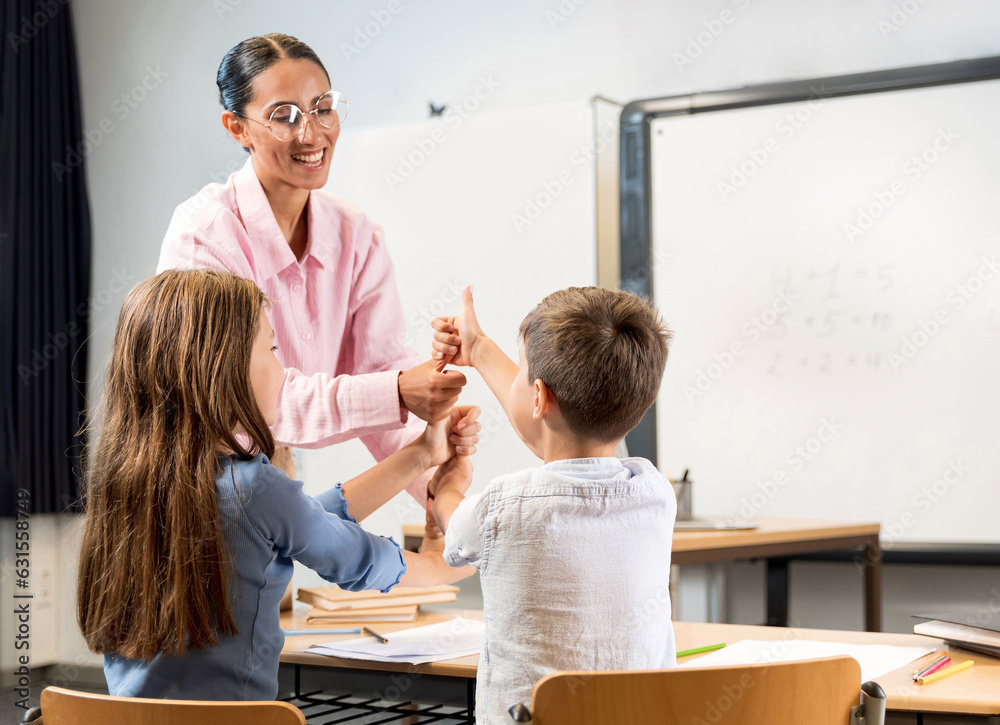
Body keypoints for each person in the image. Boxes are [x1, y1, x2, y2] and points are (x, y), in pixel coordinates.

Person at [76, 269, 476, 701]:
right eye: (270, 348)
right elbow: (352, 556)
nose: (284, 370)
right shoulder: (254, 489)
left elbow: (298, 519)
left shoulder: (123, 484)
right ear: (223, 368)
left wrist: (419, 455)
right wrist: (441, 561)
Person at [157, 33, 469, 502]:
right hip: (192, 481)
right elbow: (256, 402)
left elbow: (380, 368)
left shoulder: (356, 234)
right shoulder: (204, 237)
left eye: (322, 107)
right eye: (284, 116)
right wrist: (402, 393)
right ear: (237, 127)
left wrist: (435, 466)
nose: (312, 133)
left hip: (272, 470)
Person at [429, 286, 677, 725]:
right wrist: (480, 349)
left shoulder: (501, 507)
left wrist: (449, 486)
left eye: (521, 369)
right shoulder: (654, 493)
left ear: (540, 396)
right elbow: (562, 446)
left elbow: (456, 530)